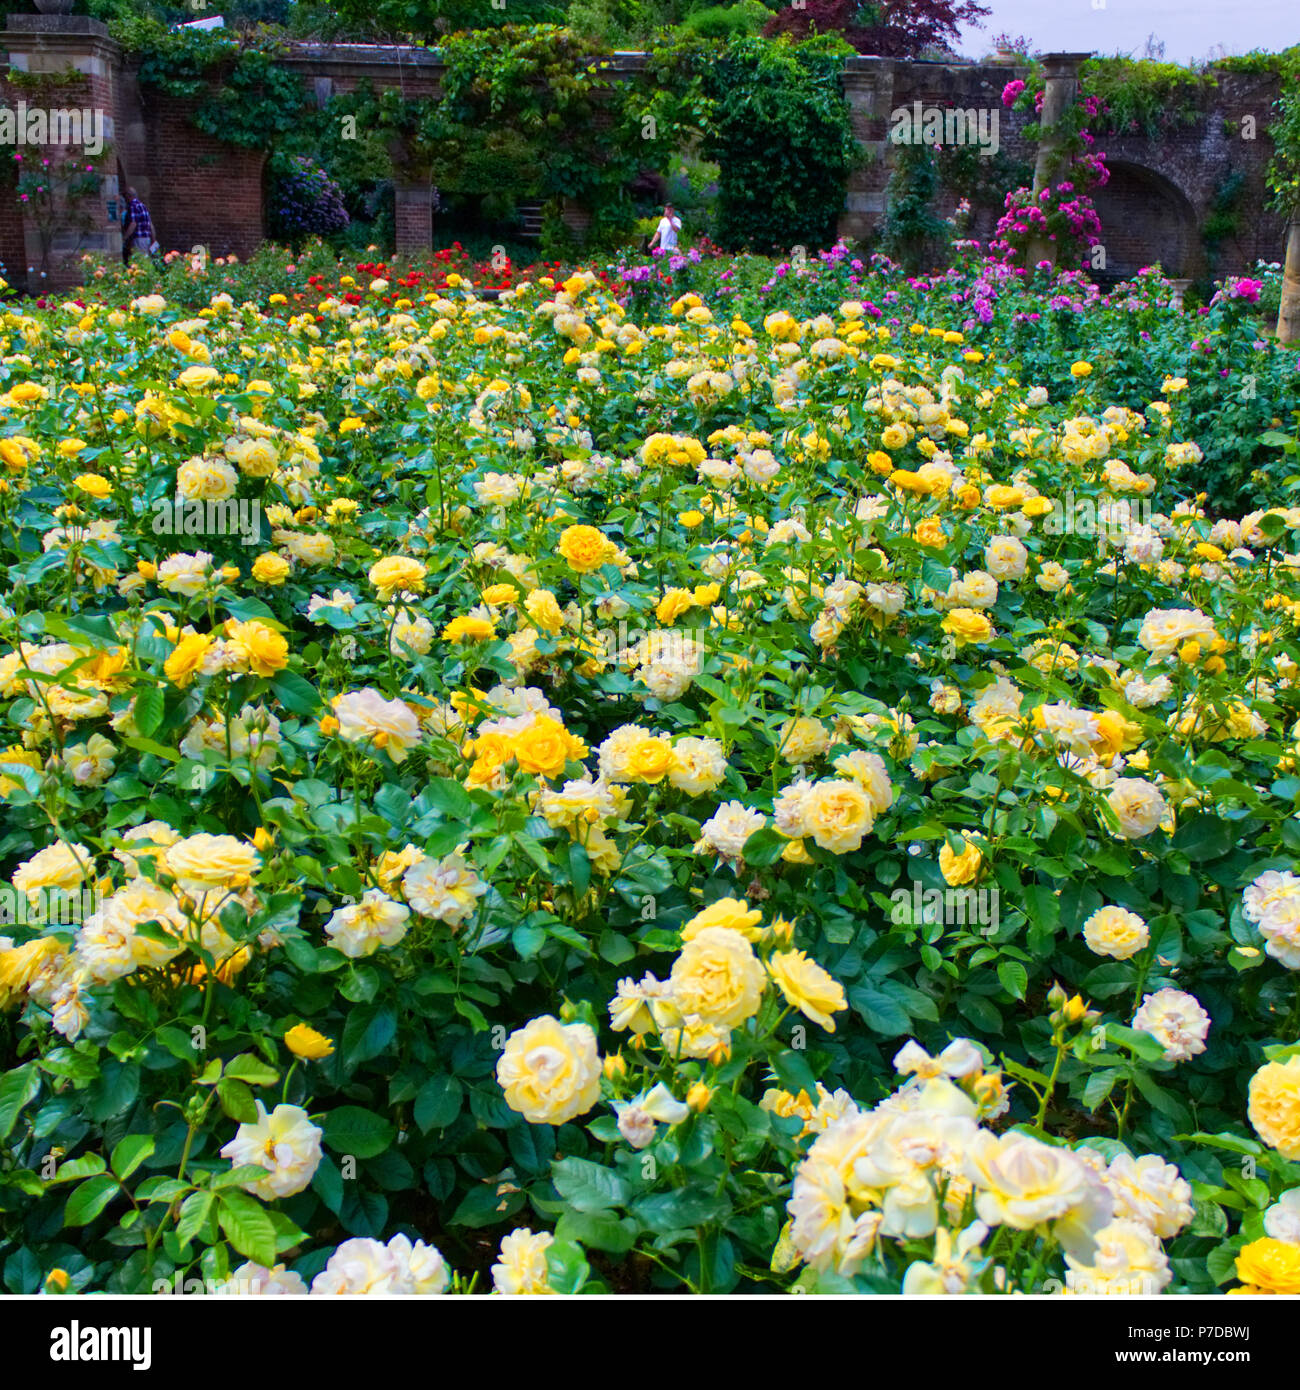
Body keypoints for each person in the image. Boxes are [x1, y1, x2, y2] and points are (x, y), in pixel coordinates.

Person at [122, 187, 156, 262]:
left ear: (128, 196)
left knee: (139, 262)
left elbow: (133, 224)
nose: (125, 199)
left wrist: (124, 238)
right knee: (146, 260)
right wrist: (153, 240)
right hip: (147, 239)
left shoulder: (133, 206)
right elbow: (151, 225)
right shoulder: (143, 206)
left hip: (138, 239)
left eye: (125, 196)